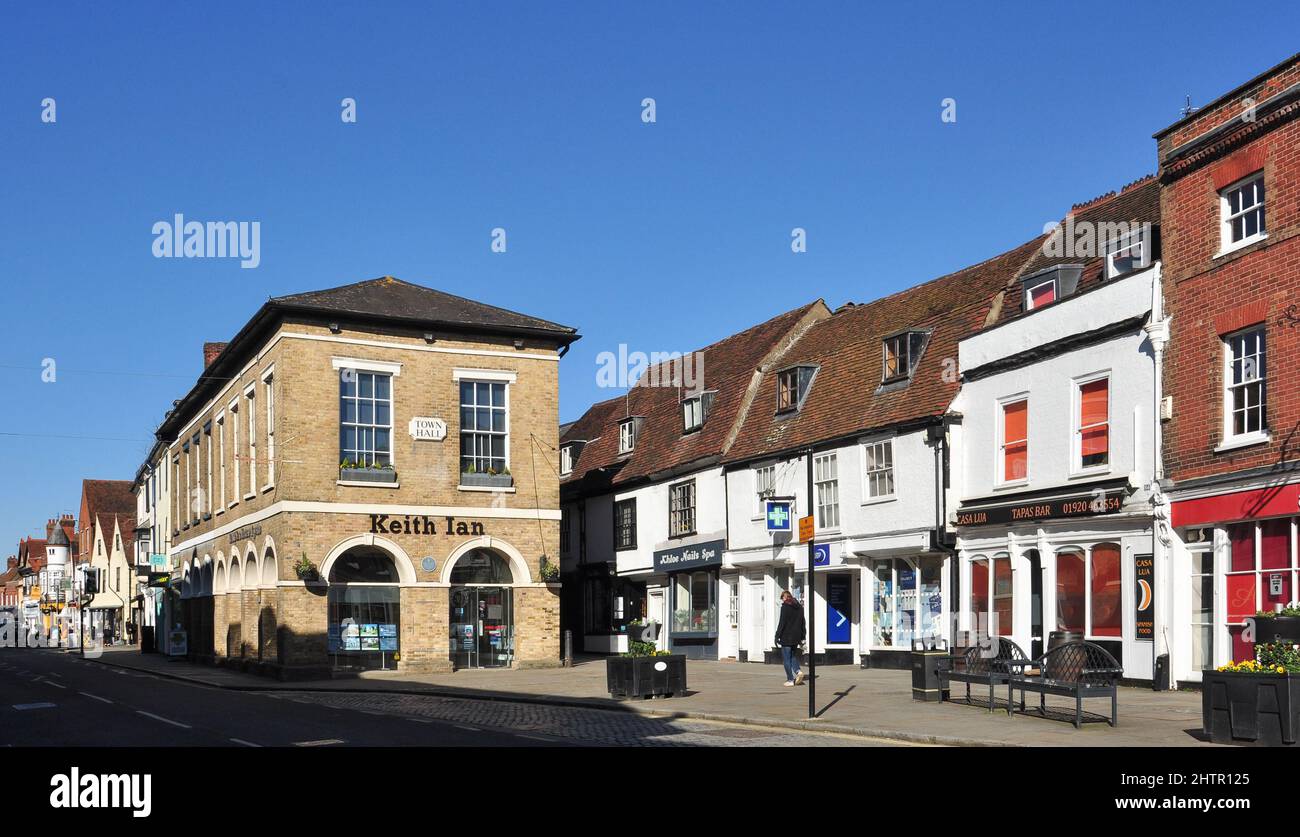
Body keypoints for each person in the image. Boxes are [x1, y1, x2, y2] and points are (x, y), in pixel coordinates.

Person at [774, 590, 806, 686]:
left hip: (786, 637)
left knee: (786, 659)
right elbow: (803, 623)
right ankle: (798, 671)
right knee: (793, 656)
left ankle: (790, 680)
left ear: (785, 597)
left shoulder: (785, 607)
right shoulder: (799, 607)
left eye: (782, 598)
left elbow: (782, 623)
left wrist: (777, 636)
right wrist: (803, 636)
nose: (782, 600)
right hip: (796, 637)